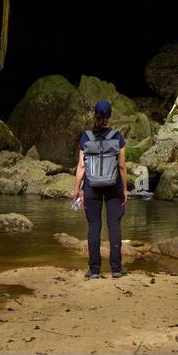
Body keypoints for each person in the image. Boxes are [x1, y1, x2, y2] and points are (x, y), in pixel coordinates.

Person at [73, 99, 128, 279]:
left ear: (95, 115)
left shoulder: (86, 137)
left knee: (94, 227)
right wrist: (125, 190)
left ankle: (95, 270)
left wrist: (76, 188)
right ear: (109, 116)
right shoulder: (117, 137)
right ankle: (116, 269)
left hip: (91, 187)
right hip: (114, 187)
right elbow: (121, 166)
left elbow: (81, 166)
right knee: (114, 226)